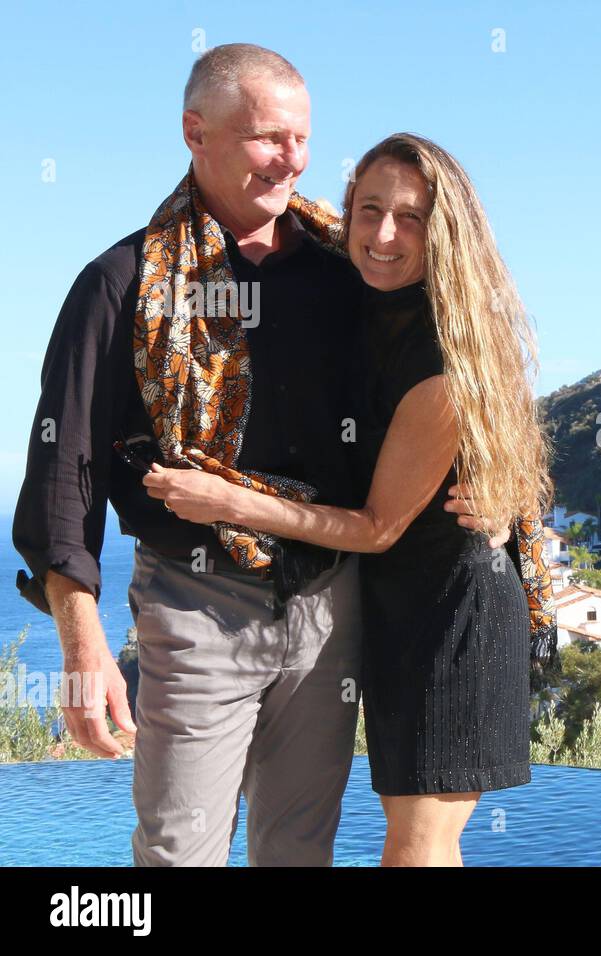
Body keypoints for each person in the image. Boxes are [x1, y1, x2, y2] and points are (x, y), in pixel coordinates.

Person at [11, 43, 505, 866]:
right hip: (194, 603)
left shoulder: (352, 271)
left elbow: (455, 380)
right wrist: (82, 647)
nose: (291, 161)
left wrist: (500, 490)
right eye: (267, 138)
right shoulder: (121, 283)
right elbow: (65, 471)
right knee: (179, 850)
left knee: (298, 852)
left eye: (302, 139)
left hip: (331, 601)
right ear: (194, 133)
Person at [143, 132, 556, 867]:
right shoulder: (358, 292)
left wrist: (226, 501)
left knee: (417, 846)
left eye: (412, 218)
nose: (384, 235)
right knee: (420, 844)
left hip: (450, 620)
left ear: (447, 232)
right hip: (392, 612)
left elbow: (374, 528)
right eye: (369, 211)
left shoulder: (442, 360)